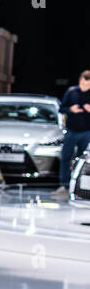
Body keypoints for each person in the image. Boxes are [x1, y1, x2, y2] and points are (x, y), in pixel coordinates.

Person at [53, 70, 90, 200]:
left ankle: (79, 187)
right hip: (71, 130)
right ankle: (64, 185)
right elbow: (61, 108)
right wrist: (70, 109)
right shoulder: (71, 92)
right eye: (83, 83)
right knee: (65, 157)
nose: (84, 87)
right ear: (80, 80)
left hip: (86, 131)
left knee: (83, 160)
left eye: (87, 85)